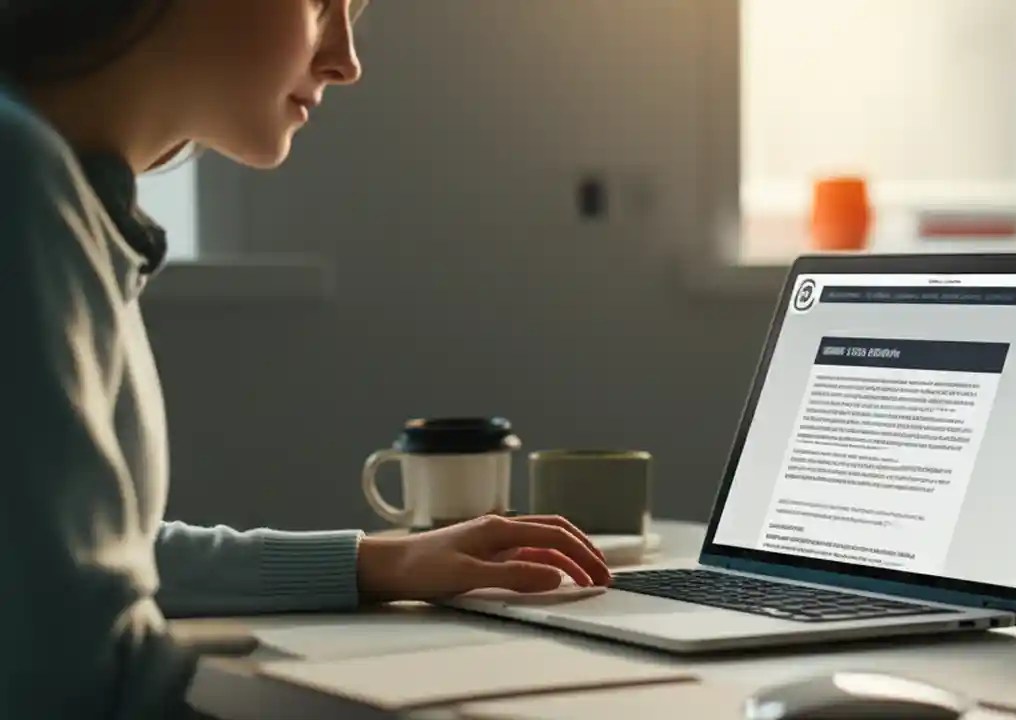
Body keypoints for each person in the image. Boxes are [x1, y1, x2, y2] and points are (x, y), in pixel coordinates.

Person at [0, 1, 613, 717]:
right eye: (323, 3)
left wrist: (382, 562)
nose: (345, 60)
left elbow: (81, 565)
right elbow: (71, 677)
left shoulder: (54, 184)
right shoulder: (20, 182)